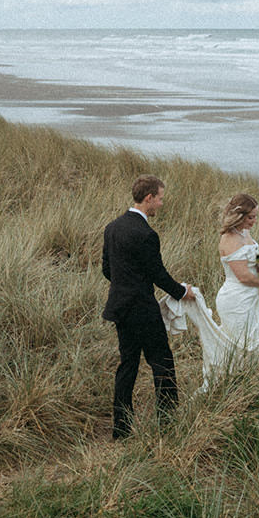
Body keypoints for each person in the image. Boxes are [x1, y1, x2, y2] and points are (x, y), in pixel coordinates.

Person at [101, 174, 190, 439]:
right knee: (162, 362)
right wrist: (183, 292)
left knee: (127, 365)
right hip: (142, 308)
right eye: (160, 198)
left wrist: (126, 284)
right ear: (149, 198)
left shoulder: (112, 227)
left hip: (120, 307)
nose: (161, 204)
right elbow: (158, 274)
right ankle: (168, 422)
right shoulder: (146, 234)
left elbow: (107, 269)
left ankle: (121, 430)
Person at [213, 193, 259, 361]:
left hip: (250, 296)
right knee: (238, 342)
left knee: (253, 338)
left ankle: (247, 378)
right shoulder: (230, 239)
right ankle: (233, 380)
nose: (254, 221)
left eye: (256, 216)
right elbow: (243, 276)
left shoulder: (245, 233)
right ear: (239, 216)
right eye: (251, 217)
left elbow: (252, 263)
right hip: (236, 298)